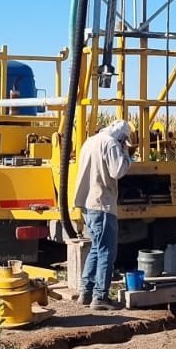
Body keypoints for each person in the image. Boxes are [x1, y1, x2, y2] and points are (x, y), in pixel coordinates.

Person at [72, 119, 135, 307]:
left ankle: (86, 292)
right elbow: (118, 171)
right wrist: (125, 153)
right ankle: (100, 296)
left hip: (87, 203)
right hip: (102, 204)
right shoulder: (111, 143)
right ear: (122, 138)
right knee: (107, 251)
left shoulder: (90, 141)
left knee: (96, 248)